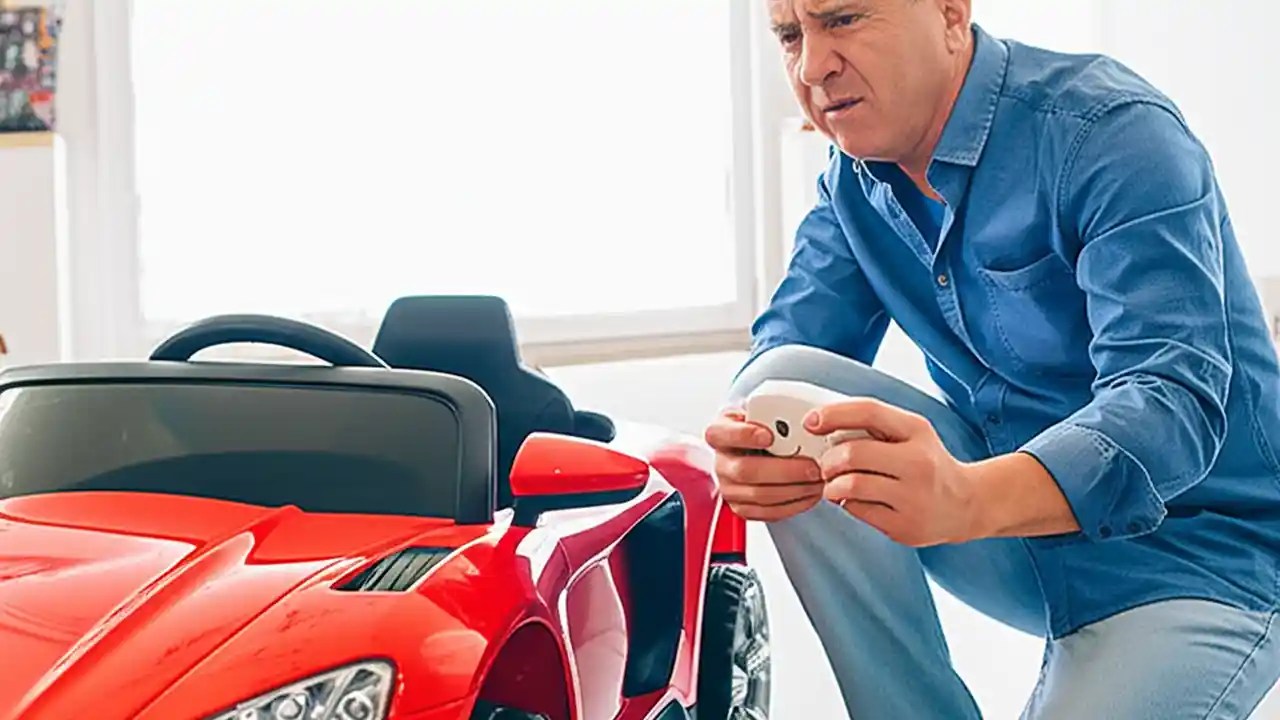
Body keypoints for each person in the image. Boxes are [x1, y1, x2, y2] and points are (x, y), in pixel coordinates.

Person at [704, 1, 1280, 718]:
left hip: (1199, 555)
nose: (812, 67)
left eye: (844, 19)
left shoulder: (1113, 133)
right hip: (1023, 538)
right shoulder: (854, 177)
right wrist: (745, 453)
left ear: (950, 12)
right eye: (792, 35)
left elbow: (1170, 403)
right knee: (777, 391)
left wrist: (965, 497)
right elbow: (787, 355)